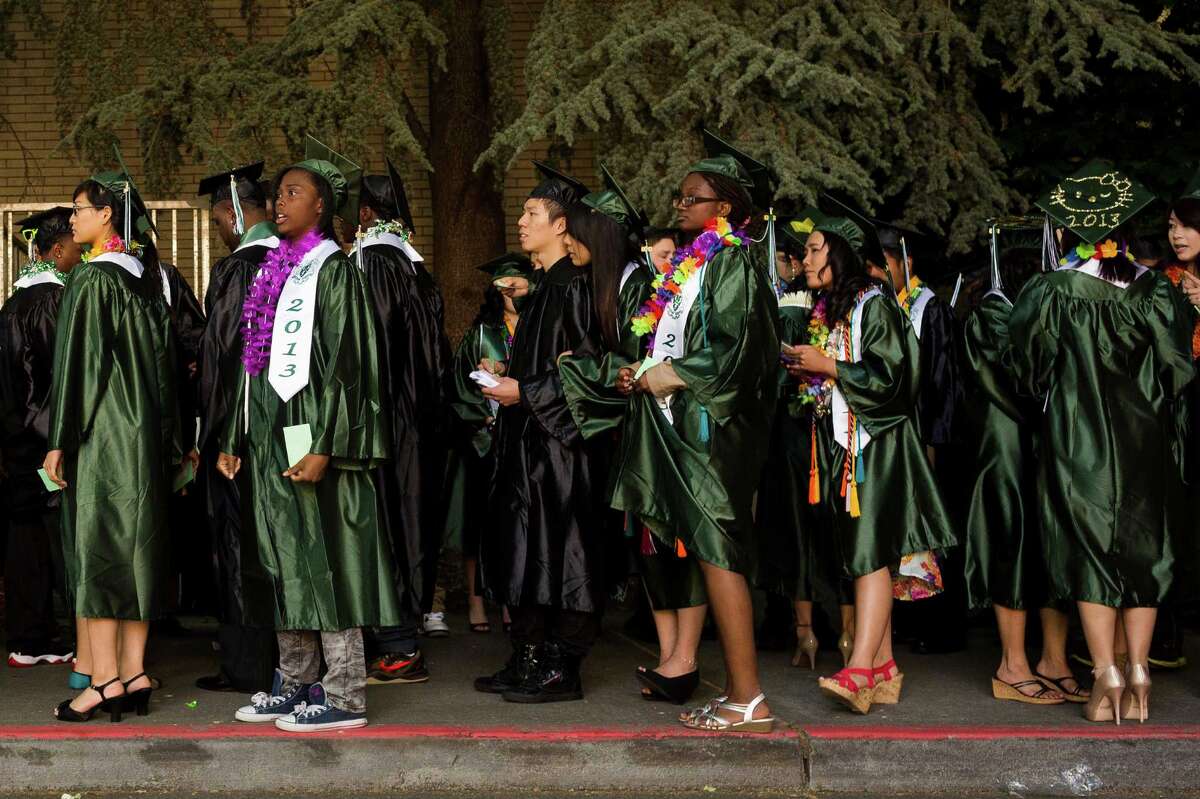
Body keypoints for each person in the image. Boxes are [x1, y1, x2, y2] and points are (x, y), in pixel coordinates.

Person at [218, 137, 401, 731]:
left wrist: (327, 443)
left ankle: (345, 693)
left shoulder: (335, 272)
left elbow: (351, 367)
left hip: (316, 439)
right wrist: (236, 436)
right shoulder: (276, 271)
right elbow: (253, 367)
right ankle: (296, 682)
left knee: (330, 559)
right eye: (277, 193)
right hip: (273, 439)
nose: (279, 201)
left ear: (322, 206)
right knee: (284, 557)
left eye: (294, 192)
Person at [1009, 162, 1194, 724]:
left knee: (1090, 554)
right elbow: (1179, 371)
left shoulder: (1051, 291)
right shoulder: (1155, 294)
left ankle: (1105, 675)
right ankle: (1139, 671)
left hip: (1078, 441)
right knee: (1140, 550)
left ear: (1066, 235)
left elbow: (1027, 365)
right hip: (1144, 442)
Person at [608, 132, 780, 731]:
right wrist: (648, 368)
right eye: (680, 197)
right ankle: (739, 693)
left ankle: (748, 698)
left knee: (720, 553)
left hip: (716, 432)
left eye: (692, 197)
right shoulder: (693, 264)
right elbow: (673, 338)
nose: (679, 205)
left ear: (724, 209)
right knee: (711, 555)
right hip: (686, 425)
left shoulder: (732, 261)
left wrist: (673, 375)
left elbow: (739, 351)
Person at [791, 212, 956, 715]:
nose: (807, 258)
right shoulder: (833, 309)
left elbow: (894, 381)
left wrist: (829, 367)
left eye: (817, 248)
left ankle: (861, 666)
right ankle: (883, 665)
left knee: (870, 553)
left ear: (842, 253)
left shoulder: (875, 304)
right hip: (849, 446)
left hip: (878, 446)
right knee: (866, 553)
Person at [558, 168, 708, 705]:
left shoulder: (644, 286)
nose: (568, 240)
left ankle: (685, 658)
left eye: (575, 230)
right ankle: (670, 653)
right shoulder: (607, 285)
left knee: (676, 544)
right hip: (636, 432)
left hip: (667, 430)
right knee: (650, 546)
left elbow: (651, 358)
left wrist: (586, 371)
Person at [45, 158, 184, 722]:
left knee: (99, 552)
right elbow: (168, 374)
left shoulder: (93, 278)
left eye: (79, 209)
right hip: (144, 438)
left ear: (106, 215)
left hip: (102, 436)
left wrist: (59, 439)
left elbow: (79, 367)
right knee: (137, 552)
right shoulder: (146, 281)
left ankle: (102, 680)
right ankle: (134, 671)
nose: (71, 219)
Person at [475, 160, 608, 704]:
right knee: (524, 547)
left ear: (560, 224)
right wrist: (509, 378)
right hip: (527, 443)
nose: (522, 220)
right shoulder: (540, 292)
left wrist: (526, 393)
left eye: (533, 212)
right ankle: (528, 653)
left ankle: (562, 667)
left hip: (561, 448)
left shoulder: (578, 288)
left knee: (564, 551)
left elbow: (591, 369)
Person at [961, 231, 1082, 706]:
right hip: (1006, 447)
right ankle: (1012, 664)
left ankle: (1054, 659)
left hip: (1044, 444)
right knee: (1012, 545)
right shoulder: (992, 313)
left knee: (1053, 547)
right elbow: (1017, 382)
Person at [349, 160, 453, 684]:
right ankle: (399, 637)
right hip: (419, 420)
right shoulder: (414, 266)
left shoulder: (371, 263)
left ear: (366, 212)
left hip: (383, 419)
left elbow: (369, 350)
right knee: (409, 524)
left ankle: (397, 646)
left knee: (383, 525)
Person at [193, 163, 280, 693]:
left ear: (232, 213)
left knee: (239, 542)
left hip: (240, 431)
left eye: (218, 220)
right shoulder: (290, 262)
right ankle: (284, 661)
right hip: (279, 427)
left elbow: (229, 354)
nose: (218, 231)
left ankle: (247, 664)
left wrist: (218, 433)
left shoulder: (240, 267)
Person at [760, 215, 853, 669]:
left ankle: (806, 635)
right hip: (819, 435)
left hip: (800, 434)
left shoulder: (792, 305)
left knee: (799, 530)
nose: (803, 261)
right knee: (834, 531)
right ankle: (848, 636)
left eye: (813, 252)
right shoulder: (819, 306)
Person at [0, 208, 81, 671]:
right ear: (54, 250)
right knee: (43, 537)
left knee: (24, 532)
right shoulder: (52, 300)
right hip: (43, 437)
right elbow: (57, 375)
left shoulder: (13, 303)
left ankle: (30, 633)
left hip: (16, 436)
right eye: (72, 244)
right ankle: (38, 637)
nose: (78, 251)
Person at [443, 254, 531, 634]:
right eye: (504, 283)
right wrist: (484, 416)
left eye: (517, 281)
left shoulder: (536, 327)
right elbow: (459, 383)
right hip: (485, 440)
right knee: (476, 524)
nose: (510, 290)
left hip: (525, 439)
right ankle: (478, 602)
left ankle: (512, 600)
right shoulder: (482, 333)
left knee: (516, 525)